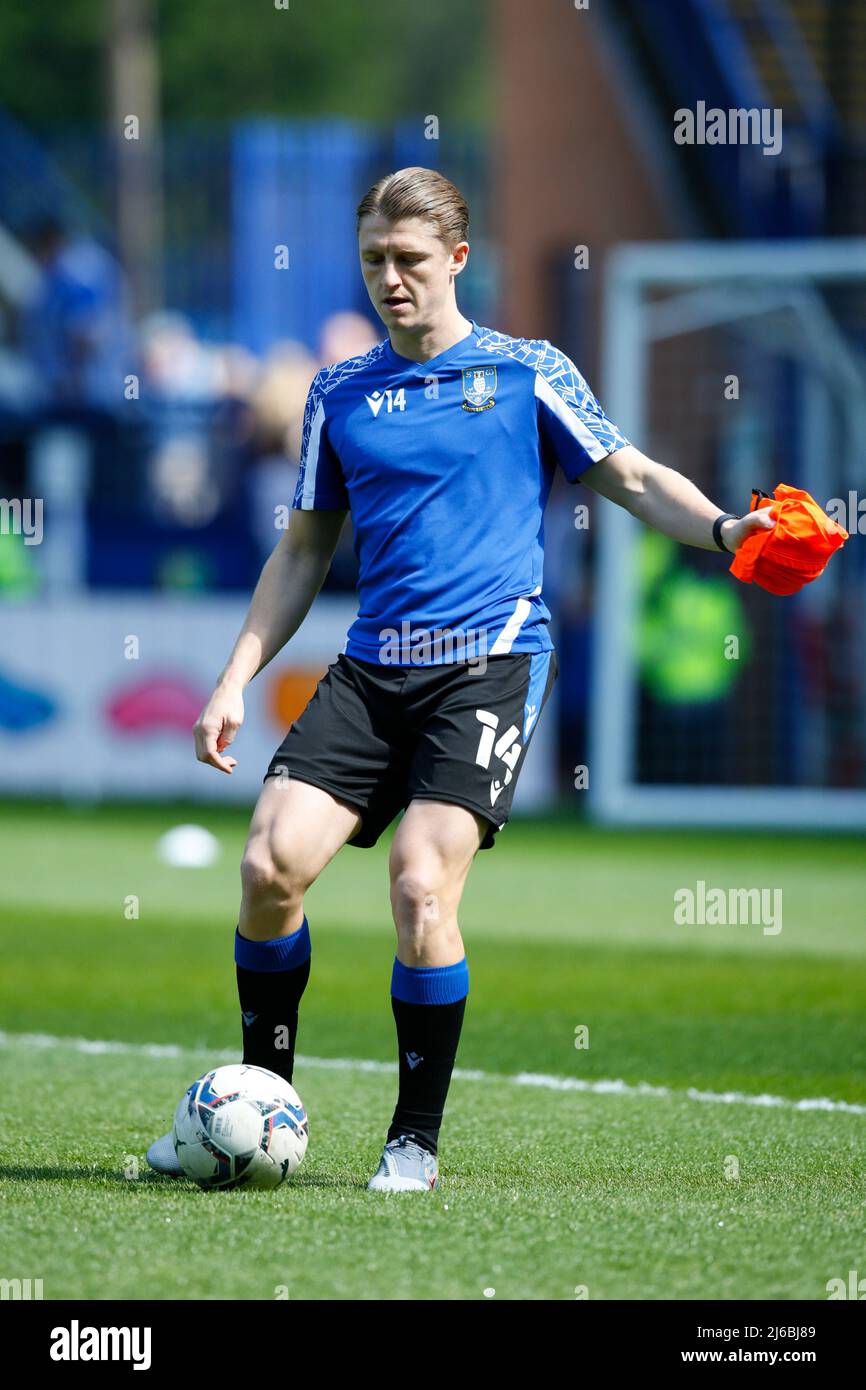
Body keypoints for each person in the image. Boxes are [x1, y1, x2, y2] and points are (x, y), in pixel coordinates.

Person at [146, 166, 775, 1192]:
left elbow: (629, 475)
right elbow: (302, 551)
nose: (389, 279)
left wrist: (720, 528)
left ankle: (412, 1141)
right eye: (372, 262)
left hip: (487, 667)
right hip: (370, 669)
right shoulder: (338, 391)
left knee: (418, 882)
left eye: (407, 260)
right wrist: (232, 679)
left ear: (455, 260)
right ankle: (261, 1105)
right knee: (268, 867)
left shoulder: (527, 372)